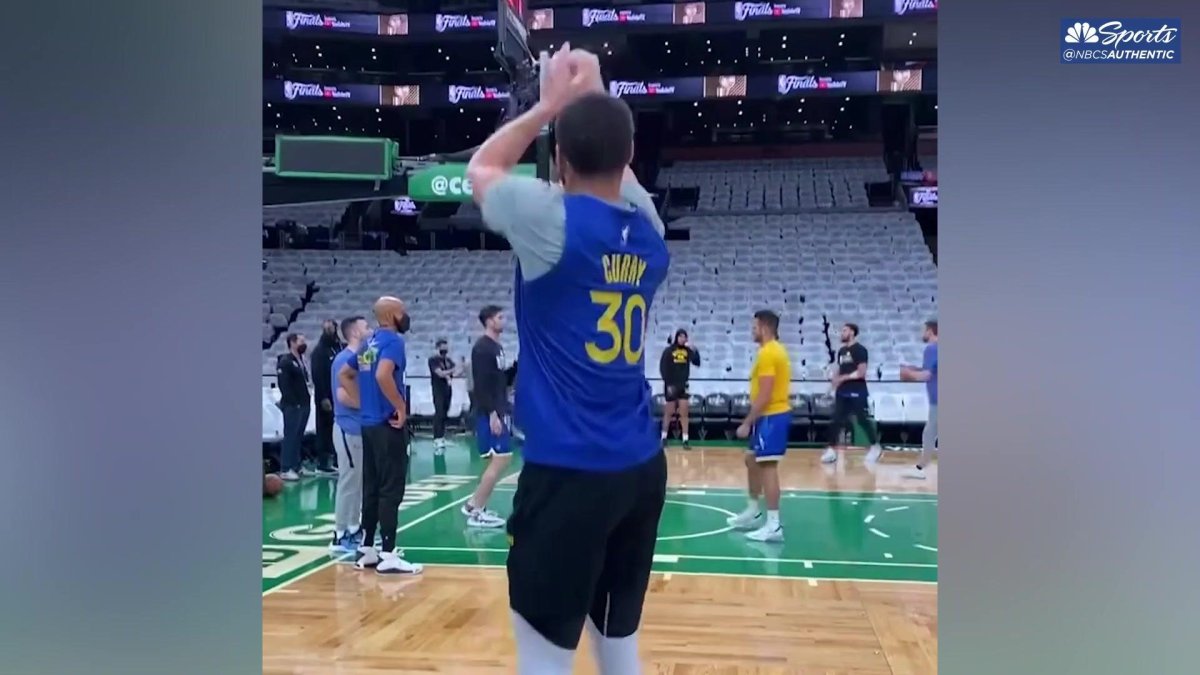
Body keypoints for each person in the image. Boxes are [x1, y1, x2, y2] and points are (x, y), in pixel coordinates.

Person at [466, 45, 670, 675]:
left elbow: (482, 170)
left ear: (559, 160)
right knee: (618, 648)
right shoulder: (653, 231)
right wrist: (597, 92)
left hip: (568, 475)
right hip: (639, 469)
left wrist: (548, 106)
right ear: (628, 157)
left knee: (544, 658)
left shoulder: (552, 220)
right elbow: (623, 174)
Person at [339, 296, 423, 575]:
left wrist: (363, 403)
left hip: (368, 425)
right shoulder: (392, 342)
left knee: (372, 486)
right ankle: (388, 552)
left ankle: (367, 549)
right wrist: (400, 406)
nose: (406, 315)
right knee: (391, 488)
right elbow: (383, 375)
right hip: (388, 426)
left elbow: (345, 374)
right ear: (390, 315)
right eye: (402, 311)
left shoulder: (368, 343)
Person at [728, 310, 792, 542]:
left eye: (754, 327)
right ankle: (754, 510)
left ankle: (774, 525)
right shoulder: (770, 351)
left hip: (771, 416)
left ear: (764, 327)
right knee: (751, 459)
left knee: (768, 467)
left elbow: (765, 394)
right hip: (767, 417)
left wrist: (747, 422)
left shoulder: (769, 353)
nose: (752, 330)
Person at [462, 305, 513, 529]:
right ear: (490, 321)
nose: (504, 320)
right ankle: (475, 509)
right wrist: (492, 413)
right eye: (500, 317)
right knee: (500, 460)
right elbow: (481, 385)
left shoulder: (496, 348)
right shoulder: (482, 348)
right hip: (490, 412)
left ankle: (476, 505)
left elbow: (502, 379)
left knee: (501, 460)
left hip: (500, 408)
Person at [329, 316, 369, 552]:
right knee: (348, 481)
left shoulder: (362, 358)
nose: (370, 329)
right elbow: (342, 395)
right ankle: (340, 533)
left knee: (358, 481)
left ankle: (354, 528)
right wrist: (367, 404)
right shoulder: (343, 360)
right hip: (348, 427)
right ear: (355, 332)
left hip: (360, 428)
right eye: (365, 327)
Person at [825, 323, 883, 465]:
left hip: (857, 390)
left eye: (844, 330)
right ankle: (831, 450)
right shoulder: (842, 351)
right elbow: (840, 368)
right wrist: (835, 380)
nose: (841, 333)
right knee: (836, 420)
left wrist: (844, 378)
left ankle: (875, 446)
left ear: (852, 332)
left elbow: (861, 372)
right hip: (842, 391)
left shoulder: (860, 350)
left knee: (862, 419)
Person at [900, 320, 938, 479]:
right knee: (930, 432)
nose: (923, 333)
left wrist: (908, 374)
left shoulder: (931, 349)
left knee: (929, 433)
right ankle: (921, 467)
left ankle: (920, 468)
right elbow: (931, 370)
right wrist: (913, 369)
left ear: (930, 331)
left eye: (925, 330)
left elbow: (927, 375)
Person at [275, 333, 311, 481]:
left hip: (304, 403)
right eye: (301, 341)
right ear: (292, 343)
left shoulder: (301, 360)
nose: (304, 343)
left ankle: (296, 465)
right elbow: (284, 385)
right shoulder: (285, 361)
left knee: (298, 436)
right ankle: (285, 468)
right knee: (290, 436)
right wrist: (292, 402)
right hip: (292, 405)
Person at [309, 319, 342, 476]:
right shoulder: (319, 351)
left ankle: (337, 461)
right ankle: (322, 463)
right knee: (324, 430)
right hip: (326, 397)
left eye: (332, 327)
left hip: (339, 395)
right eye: (326, 328)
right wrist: (323, 397)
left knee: (338, 430)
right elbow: (317, 376)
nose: (330, 330)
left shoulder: (339, 348)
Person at [659, 329, 700, 448]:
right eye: (680, 336)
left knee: (684, 413)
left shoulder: (687, 351)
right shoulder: (668, 351)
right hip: (671, 385)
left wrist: (695, 350)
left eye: (684, 337)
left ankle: (685, 440)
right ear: (676, 337)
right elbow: (663, 368)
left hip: (683, 385)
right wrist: (668, 383)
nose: (682, 339)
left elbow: (697, 362)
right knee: (669, 412)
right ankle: (664, 437)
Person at [428, 338, 458, 455]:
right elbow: (439, 373)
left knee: (445, 412)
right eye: (442, 348)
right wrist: (450, 372)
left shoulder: (449, 361)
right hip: (438, 390)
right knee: (439, 412)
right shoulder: (433, 360)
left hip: (448, 389)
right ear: (438, 348)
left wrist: (451, 371)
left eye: (446, 349)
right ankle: (437, 439)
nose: (445, 351)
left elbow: (456, 371)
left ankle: (442, 437)